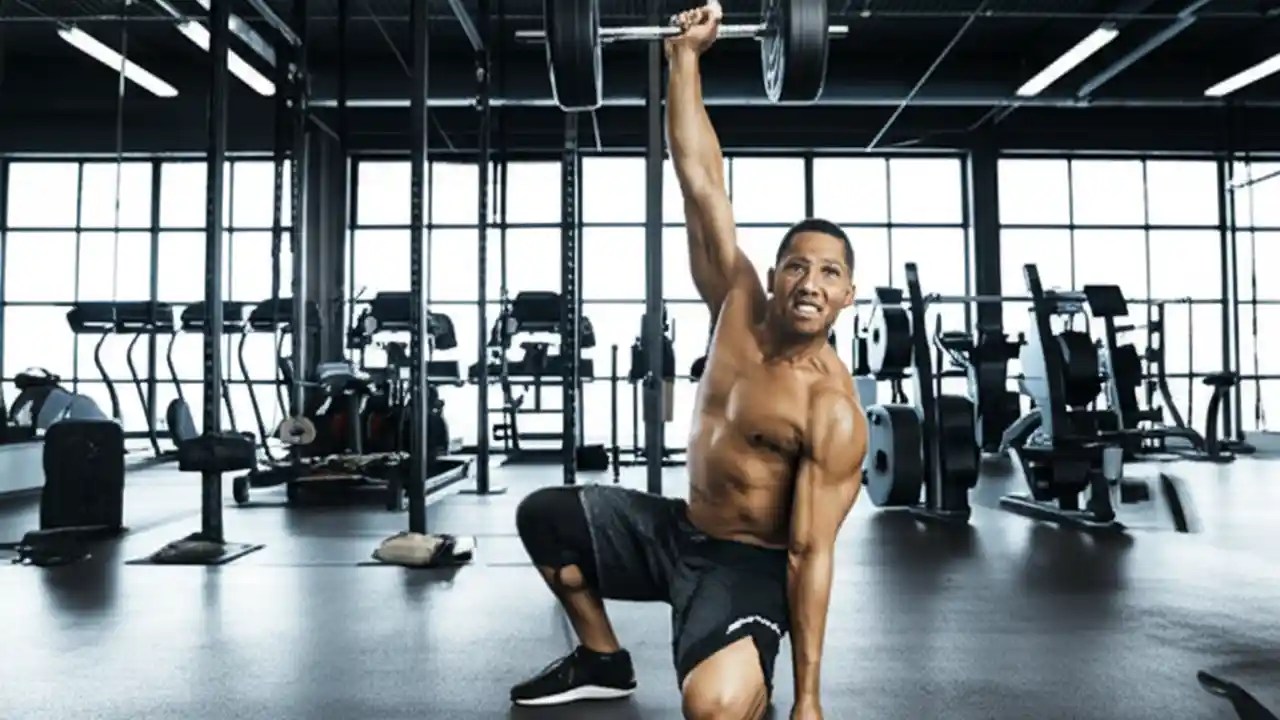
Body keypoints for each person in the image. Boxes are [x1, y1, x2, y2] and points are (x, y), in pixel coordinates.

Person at [508, 5, 867, 720]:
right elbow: (700, 179)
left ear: (848, 297)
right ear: (774, 276)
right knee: (545, 516)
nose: (810, 283)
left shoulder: (830, 411)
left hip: (746, 564)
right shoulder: (735, 304)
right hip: (677, 531)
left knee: (715, 710)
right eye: (797, 266)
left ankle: (744, 670)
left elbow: (807, 556)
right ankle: (602, 660)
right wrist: (684, 58)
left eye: (829, 274)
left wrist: (811, 701)